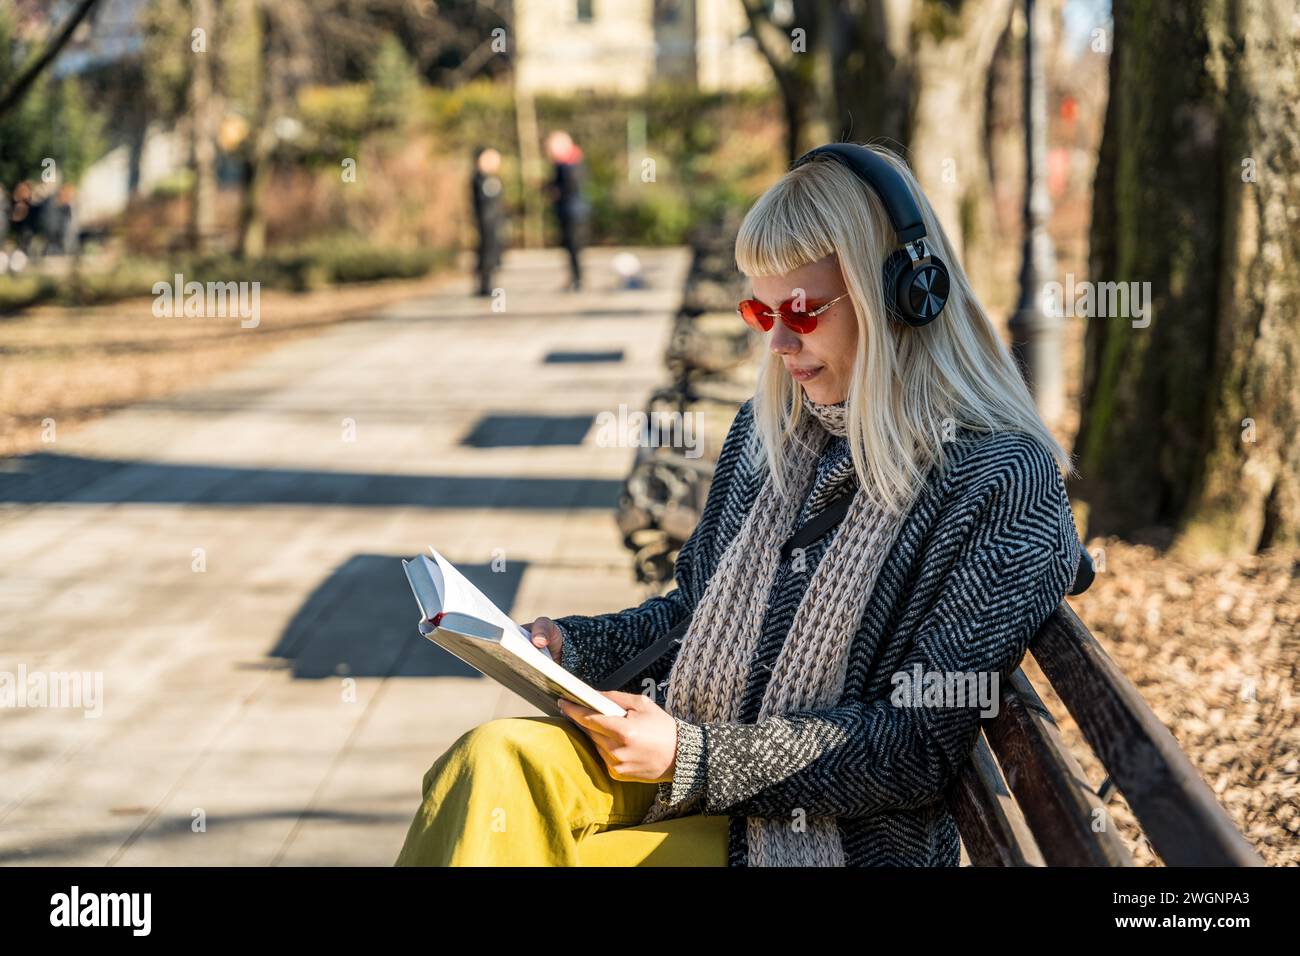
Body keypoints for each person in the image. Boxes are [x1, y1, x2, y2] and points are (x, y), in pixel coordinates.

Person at [395, 142, 1082, 867]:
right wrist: (571, 649)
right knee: (490, 760)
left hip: (836, 839)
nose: (779, 341)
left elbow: (915, 748)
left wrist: (692, 757)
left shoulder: (1000, 480)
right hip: (705, 775)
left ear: (903, 297)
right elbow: (694, 611)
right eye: (760, 309)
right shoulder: (774, 432)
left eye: (802, 310)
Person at [543, 130, 588, 292]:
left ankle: (578, 280)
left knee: (574, 247)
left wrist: (556, 191)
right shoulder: (562, 163)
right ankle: (574, 279)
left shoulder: (571, 162)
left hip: (573, 212)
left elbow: (571, 186)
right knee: (569, 248)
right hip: (566, 210)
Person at [470, 146, 505, 296]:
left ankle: (489, 284)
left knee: (493, 252)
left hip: (494, 220)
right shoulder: (479, 178)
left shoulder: (492, 177)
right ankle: (484, 285)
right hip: (486, 221)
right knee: (486, 253)